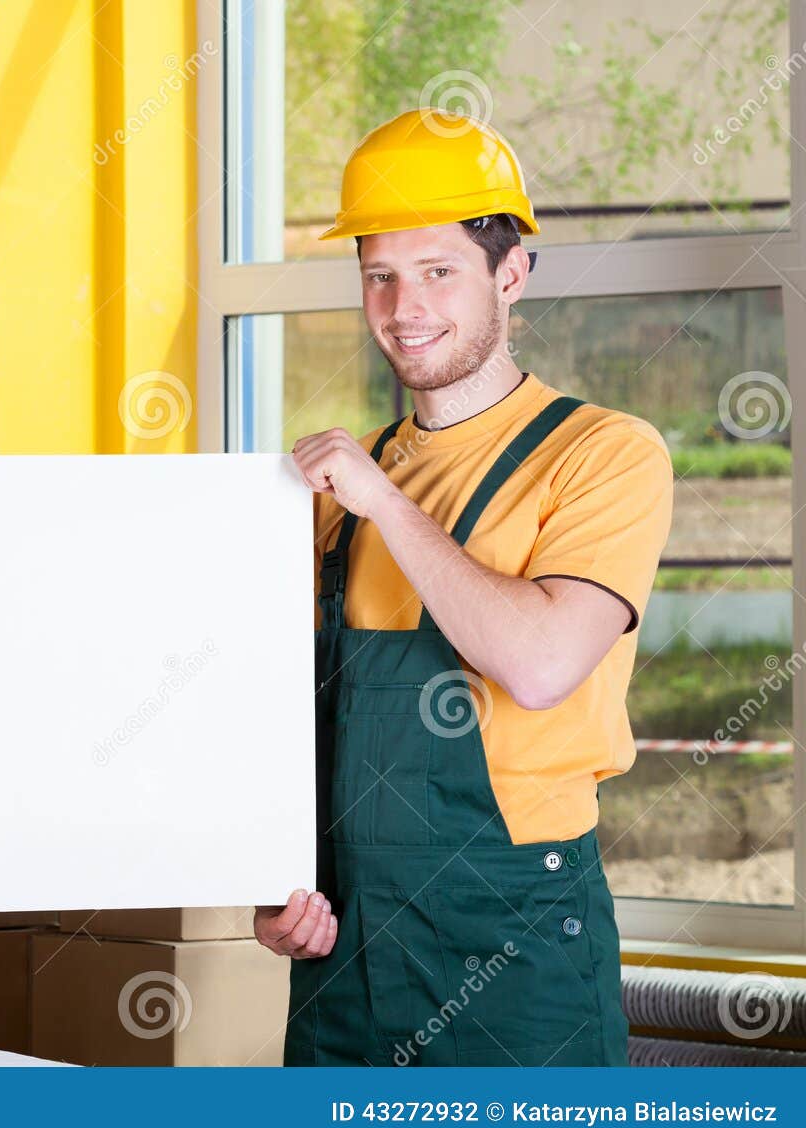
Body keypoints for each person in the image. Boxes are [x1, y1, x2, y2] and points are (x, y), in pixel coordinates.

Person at [254, 110, 674, 1066]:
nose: (405, 305)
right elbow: (274, 716)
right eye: (380, 275)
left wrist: (387, 502)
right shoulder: (333, 483)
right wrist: (269, 884)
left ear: (511, 272)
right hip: (346, 959)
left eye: (438, 270)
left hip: (516, 951)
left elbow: (538, 664)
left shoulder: (605, 454)